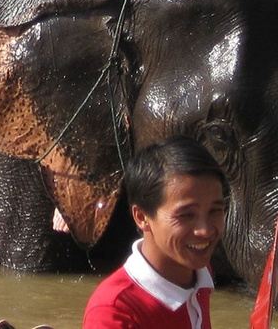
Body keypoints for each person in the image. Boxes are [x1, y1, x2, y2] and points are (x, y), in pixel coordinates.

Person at [82, 137, 227, 329]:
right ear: (141, 217)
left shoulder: (198, 272)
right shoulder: (113, 312)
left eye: (215, 211)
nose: (205, 230)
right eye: (186, 215)